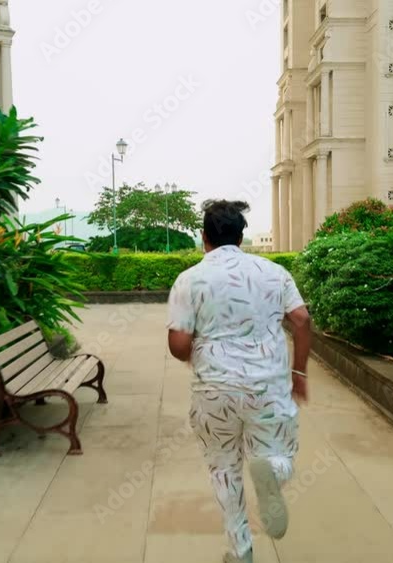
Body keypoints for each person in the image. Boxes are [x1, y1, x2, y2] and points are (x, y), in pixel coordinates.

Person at [166, 200, 311, 563]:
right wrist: (299, 373)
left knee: (223, 469)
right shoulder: (274, 272)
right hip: (268, 387)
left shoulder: (189, 279)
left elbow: (179, 346)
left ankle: (240, 550)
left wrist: (198, 345)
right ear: (242, 236)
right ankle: (273, 473)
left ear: (204, 238)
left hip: (214, 391)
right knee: (279, 451)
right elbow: (302, 320)